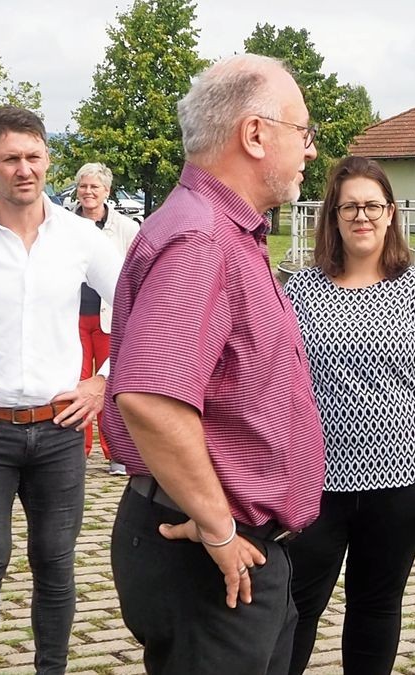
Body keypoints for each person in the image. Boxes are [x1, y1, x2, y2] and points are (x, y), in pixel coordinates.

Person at [101, 54, 326, 674]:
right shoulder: (202, 238)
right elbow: (150, 399)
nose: (310, 150)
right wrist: (219, 528)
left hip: (234, 549)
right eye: (302, 131)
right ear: (255, 134)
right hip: (207, 554)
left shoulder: (224, 231)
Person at [0, 105, 122, 674]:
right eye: (11, 158)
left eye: (34, 156)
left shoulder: (77, 236)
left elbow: (143, 309)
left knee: (56, 565)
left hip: (60, 428)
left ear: (48, 158)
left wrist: (103, 383)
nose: (24, 169)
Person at [282, 156, 415, 675]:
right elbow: (279, 383)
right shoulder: (300, 290)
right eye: (350, 208)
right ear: (333, 217)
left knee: (376, 604)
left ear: (390, 214)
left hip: (402, 480)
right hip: (315, 481)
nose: (362, 217)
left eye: (372, 206)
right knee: (296, 604)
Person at [73, 162, 140, 476]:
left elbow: (135, 270)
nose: (88, 192)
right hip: (73, 317)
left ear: (107, 191)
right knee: (75, 384)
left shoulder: (125, 228)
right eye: (83, 186)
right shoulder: (63, 223)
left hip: (110, 317)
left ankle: (117, 451)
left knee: (111, 385)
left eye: (94, 187)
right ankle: (77, 451)